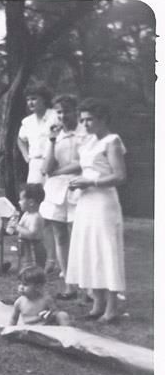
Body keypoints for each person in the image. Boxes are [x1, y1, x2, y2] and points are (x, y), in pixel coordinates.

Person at [66, 98, 127, 324]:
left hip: (104, 202)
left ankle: (112, 309)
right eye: (82, 120)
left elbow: (120, 176)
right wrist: (78, 181)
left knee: (106, 250)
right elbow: (86, 169)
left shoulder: (112, 141)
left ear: (103, 119)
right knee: (90, 250)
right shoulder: (89, 142)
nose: (86, 124)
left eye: (90, 119)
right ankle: (97, 304)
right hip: (86, 202)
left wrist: (90, 183)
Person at [41, 94, 85, 300]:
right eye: (59, 112)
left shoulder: (85, 132)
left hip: (79, 187)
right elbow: (45, 168)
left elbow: (84, 162)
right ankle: (69, 283)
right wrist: (51, 141)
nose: (62, 115)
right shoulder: (53, 134)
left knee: (80, 236)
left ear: (75, 111)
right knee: (60, 235)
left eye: (66, 111)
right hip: (56, 191)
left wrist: (59, 172)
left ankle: (88, 285)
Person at [17, 85, 58, 186]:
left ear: (44, 99)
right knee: (35, 196)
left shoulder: (55, 116)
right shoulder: (27, 121)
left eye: (34, 99)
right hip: (34, 164)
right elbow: (20, 139)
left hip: (53, 163)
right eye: (28, 100)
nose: (30, 103)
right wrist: (26, 156)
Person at [16, 183, 47, 270]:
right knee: (25, 265)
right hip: (24, 245)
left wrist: (16, 227)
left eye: (21, 199)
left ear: (31, 202)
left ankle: (35, 280)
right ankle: (25, 279)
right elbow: (20, 227)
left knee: (34, 267)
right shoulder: (26, 214)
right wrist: (12, 225)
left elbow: (31, 234)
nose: (19, 202)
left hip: (34, 247)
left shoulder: (36, 217)